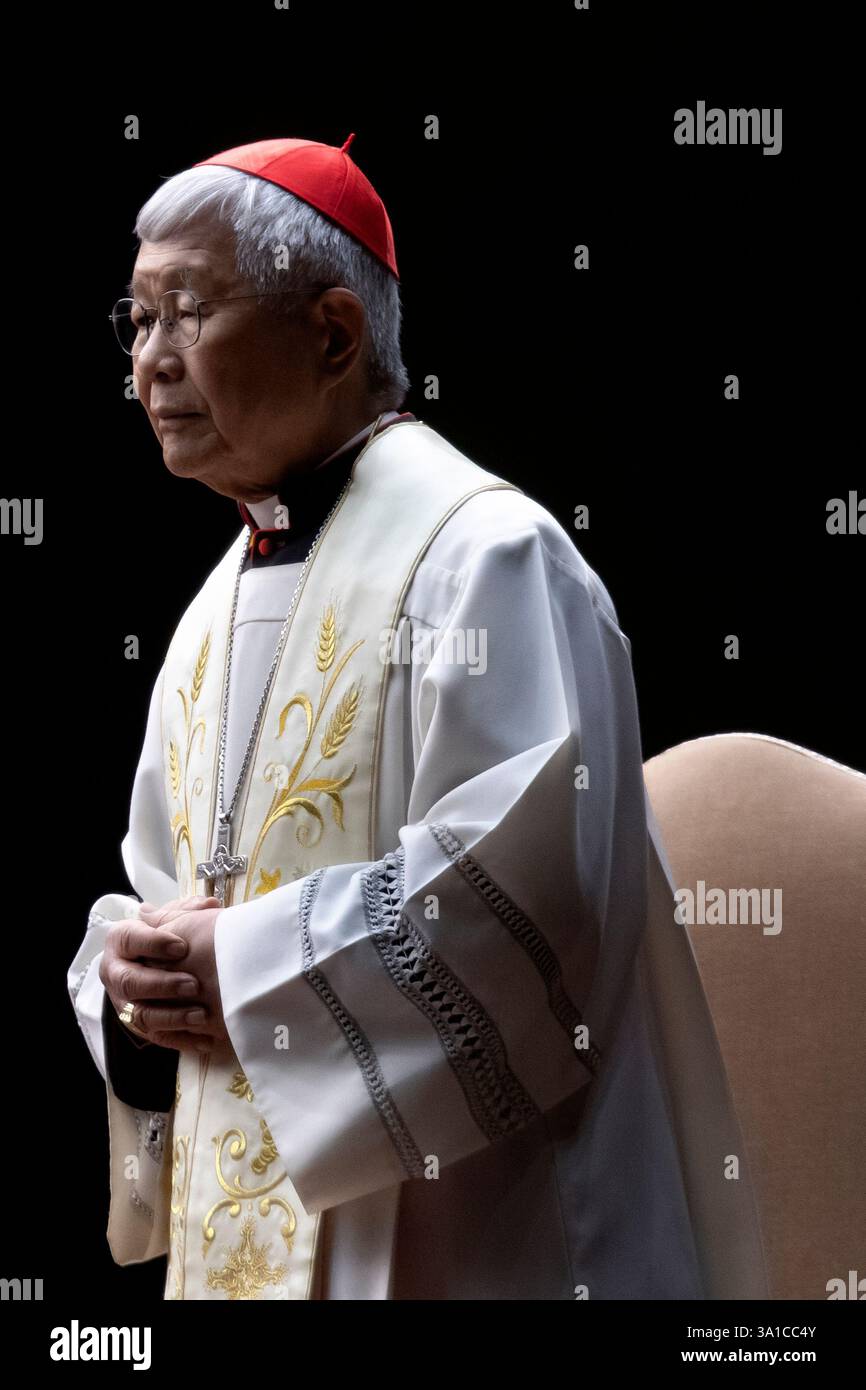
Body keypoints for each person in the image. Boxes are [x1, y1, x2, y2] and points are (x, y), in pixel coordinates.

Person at [67, 134, 769, 1300]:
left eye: (184, 312)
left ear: (333, 333)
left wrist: (232, 965)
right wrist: (134, 995)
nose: (150, 362)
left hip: (477, 1248)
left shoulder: (489, 557)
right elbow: (162, 896)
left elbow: (531, 913)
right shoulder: (206, 615)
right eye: (132, 323)